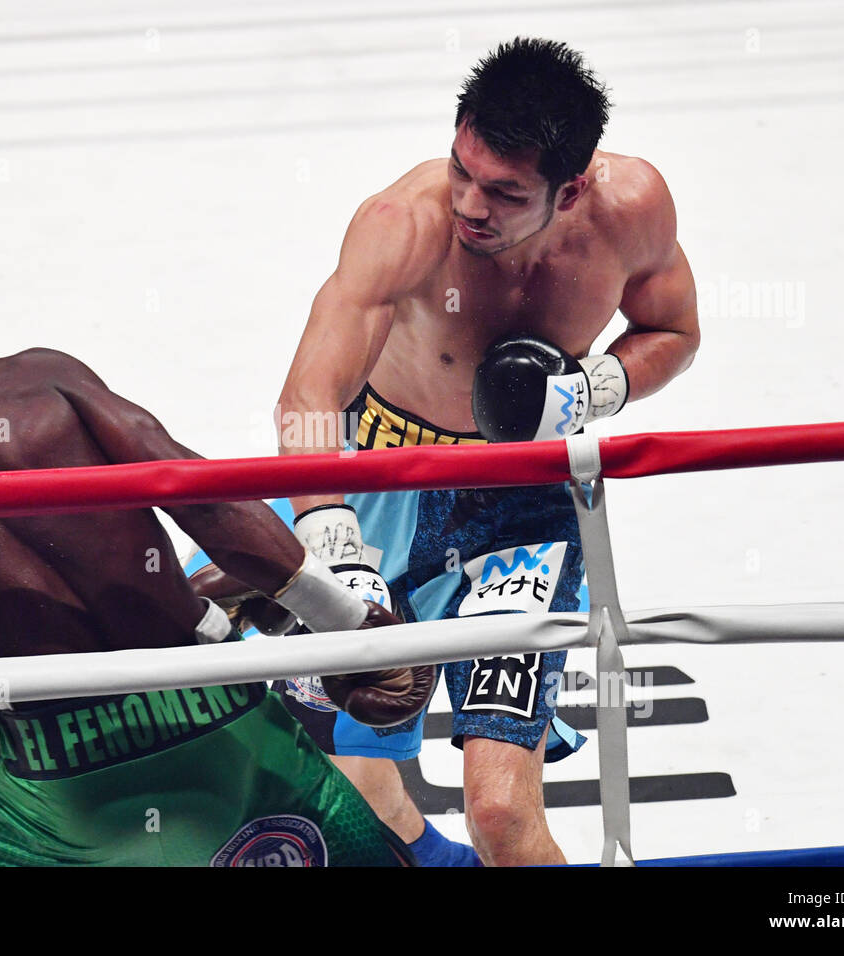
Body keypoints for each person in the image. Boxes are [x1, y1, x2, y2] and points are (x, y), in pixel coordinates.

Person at [0, 334, 433, 867]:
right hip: (227, 725)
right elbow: (196, 491)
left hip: (72, 798)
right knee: (367, 849)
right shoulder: (26, 382)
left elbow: (14, 709)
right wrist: (346, 624)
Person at [270, 37, 700, 866]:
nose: (471, 203)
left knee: (500, 814)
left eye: (505, 192)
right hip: (378, 486)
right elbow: (307, 402)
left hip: (519, 508)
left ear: (571, 189)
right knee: (348, 768)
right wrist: (336, 546)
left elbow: (674, 332)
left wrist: (591, 390)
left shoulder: (634, 208)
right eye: (461, 169)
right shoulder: (402, 226)